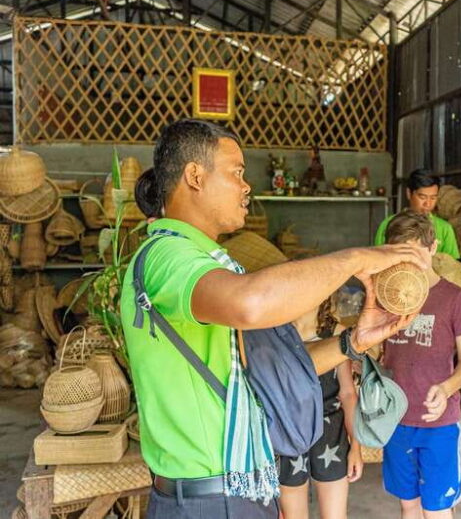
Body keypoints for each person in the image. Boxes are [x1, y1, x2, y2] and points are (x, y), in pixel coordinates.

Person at [120, 119, 430, 519]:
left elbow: (273, 374)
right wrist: (356, 258)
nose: (246, 186)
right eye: (237, 173)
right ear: (195, 176)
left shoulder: (209, 265)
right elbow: (251, 303)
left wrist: (351, 343)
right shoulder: (168, 255)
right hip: (209, 504)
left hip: (240, 492)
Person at [380, 210, 461, 519]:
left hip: (440, 423)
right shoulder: (387, 296)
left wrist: (446, 388)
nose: (406, 261)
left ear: (433, 247)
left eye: (414, 252)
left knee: (435, 508)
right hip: (397, 419)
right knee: (408, 504)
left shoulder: (454, 298)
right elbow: (377, 355)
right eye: (398, 253)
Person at [278, 295, 362, 519]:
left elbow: (347, 393)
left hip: (331, 431)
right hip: (288, 433)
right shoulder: (277, 331)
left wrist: (355, 447)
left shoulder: (337, 333)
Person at [374, 169, 460, 259]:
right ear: (409, 193)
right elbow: (378, 258)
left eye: (433, 198)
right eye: (422, 197)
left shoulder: (445, 229)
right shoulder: (389, 224)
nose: (428, 203)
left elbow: (452, 267)